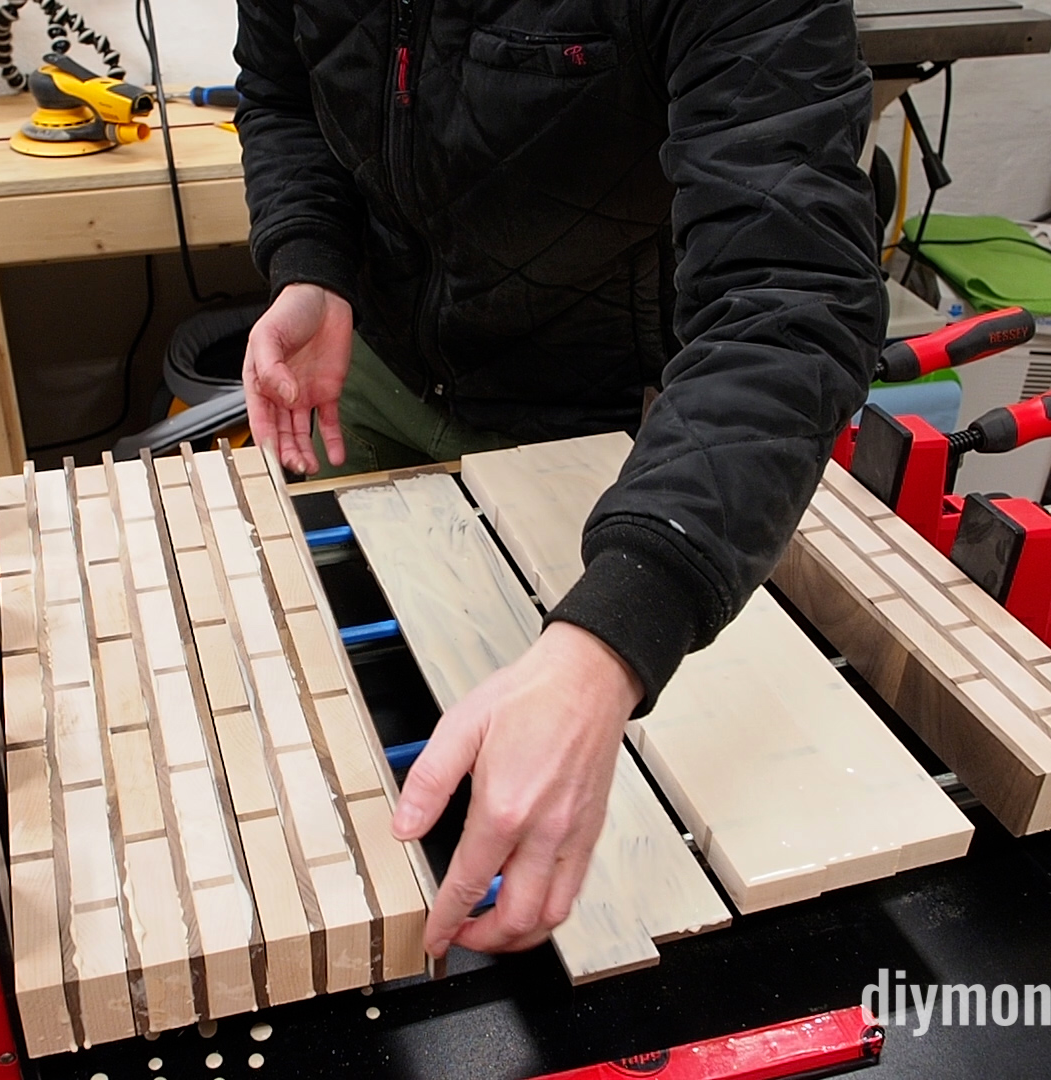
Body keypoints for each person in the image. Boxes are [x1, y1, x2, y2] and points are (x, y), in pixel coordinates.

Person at [233, 0, 886, 961]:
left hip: (606, 435)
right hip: (366, 359)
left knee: (589, 843)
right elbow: (281, 91)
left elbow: (789, 296)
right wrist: (312, 263)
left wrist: (615, 637)